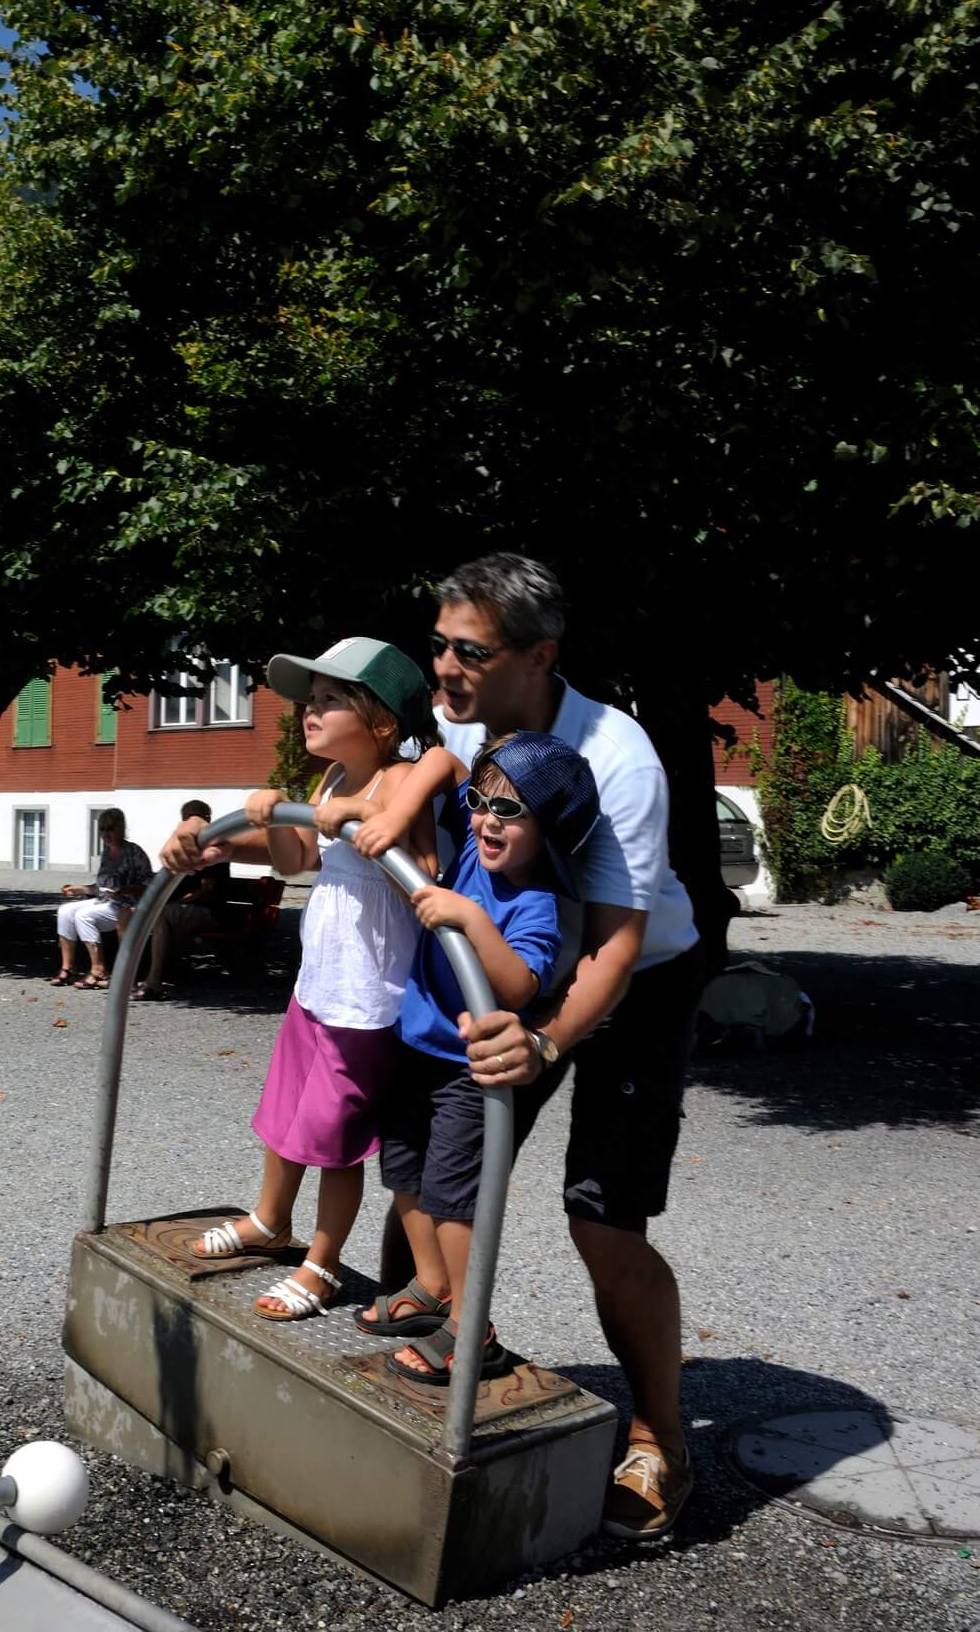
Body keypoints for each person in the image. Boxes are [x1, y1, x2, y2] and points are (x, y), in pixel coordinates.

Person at [352, 553, 707, 1542]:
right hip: (519, 957)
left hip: (626, 978)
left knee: (602, 1216)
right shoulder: (473, 712)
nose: (445, 666)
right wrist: (403, 788)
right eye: (438, 645)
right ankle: (427, 1346)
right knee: (433, 1158)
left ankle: (660, 1438)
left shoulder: (618, 757)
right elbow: (442, 748)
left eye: (469, 650)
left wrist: (545, 1044)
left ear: (539, 656)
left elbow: (617, 945)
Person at [174, 638, 436, 1322]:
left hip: (368, 999)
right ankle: (269, 1217)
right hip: (317, 987)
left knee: (333, 1135)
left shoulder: (401, 781)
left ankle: (321, 1262)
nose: (308, 713)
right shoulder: (331, 782)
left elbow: (425, 868)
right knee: (287, 1112)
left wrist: (359, 817)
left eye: (328, 699)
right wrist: (271, 809)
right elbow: (297, 859)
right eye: (309, 700)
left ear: (380, 718)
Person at [366, 731, 596, 1388]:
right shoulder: (471, 848)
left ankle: (472, 1328)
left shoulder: (537, 901)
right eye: (480, 801)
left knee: (451, 1197)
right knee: (403, 1168)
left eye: (510, 810)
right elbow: (444, 764)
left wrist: (470, 918)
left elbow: (522, 984)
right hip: (416, 1046)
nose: (487, 819)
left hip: (469, 1069)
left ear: (549, 828)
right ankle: (431, 1285)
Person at [140, 799, 233, 998]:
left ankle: (153, 980)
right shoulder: (185, 847)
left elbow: (206, 891)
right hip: (188, 909)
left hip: (211, 912)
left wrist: (178, 902)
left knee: (160, 915)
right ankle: (134, 973)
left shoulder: (213, 849)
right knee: (134, 913)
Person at [51, 807, 150, 991]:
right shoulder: (106, 852)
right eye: (102, 829)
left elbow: (148, 885)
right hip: (107, 901)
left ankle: (99, 969)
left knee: (84, 915)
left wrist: (124, 890)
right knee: (64, 911)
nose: (106, 833)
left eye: (111, 828)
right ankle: (68, 968)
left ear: (121, 828)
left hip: (128, 904)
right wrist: (79, 889)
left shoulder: (135, 852)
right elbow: (102, 887)